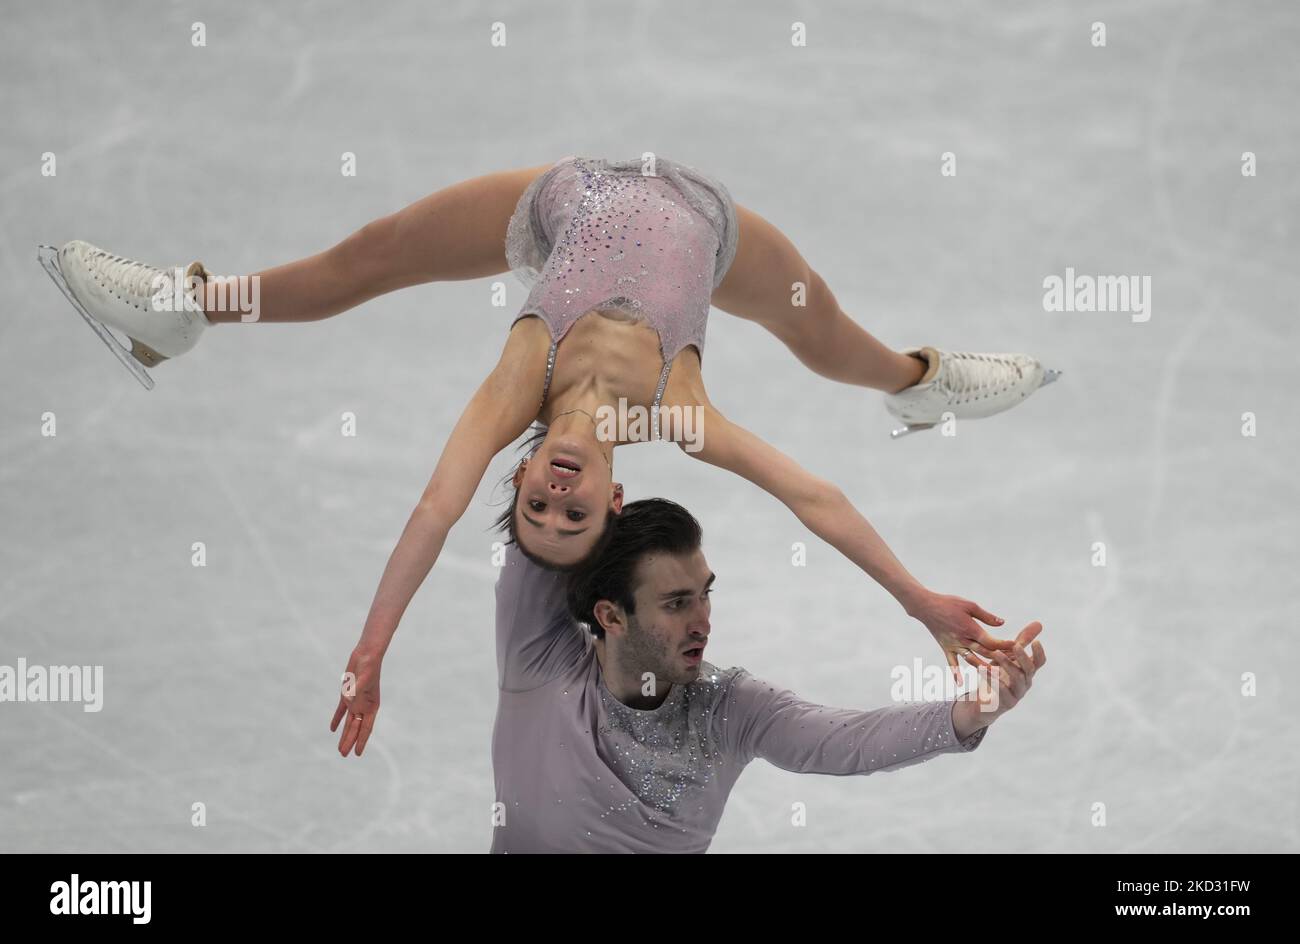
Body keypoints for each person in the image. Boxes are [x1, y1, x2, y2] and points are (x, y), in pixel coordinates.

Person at [51, 153, 1056, 679]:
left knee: (365, 257)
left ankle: (183, 312)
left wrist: (369, 650)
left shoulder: (517, 383)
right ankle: (917, 381)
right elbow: (817, 498)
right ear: (616, 502)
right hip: (708, 226)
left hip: (565, 198)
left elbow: (433, 512)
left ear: (525, 475)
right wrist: (916, 599)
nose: (557, 495)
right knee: (831, 335)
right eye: (574, 519)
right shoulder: (678, 410)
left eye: (536, 504)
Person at [332, 497, 1046, 853]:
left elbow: (843, 742)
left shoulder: (728, 710)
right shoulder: (539, 660)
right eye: (677, 603)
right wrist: (583, 464)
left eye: (705, 592)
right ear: (610, 616)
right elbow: (541, 522)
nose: (702, 618)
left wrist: (968, 714)